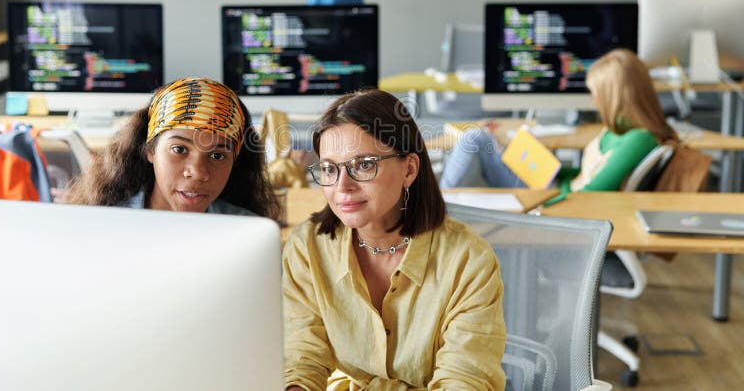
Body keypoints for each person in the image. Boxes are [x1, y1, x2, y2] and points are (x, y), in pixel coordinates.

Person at [283, 89, 506, 390]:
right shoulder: (307, 248)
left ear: (409, 169)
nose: (342, 186)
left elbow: (465, 380)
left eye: (363, 164)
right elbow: (301, 360)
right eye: (328, 168)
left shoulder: (468, 261)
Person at [440, 48, 678, 202]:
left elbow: (589, 195)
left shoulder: (638, 139)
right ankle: (436, 205)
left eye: (596, 94)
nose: (593, 100)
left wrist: (535, 202)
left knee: (476, 139)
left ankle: (432, 211)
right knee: (485, 140)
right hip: (552, 186)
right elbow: (588, 176)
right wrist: (550, 169)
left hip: (554, 201)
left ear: (614, 97)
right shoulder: (621, 130)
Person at [65, 77, 279, 219]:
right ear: (150, 149)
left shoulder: (249, 231)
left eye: (217, 155)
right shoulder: (102, 225)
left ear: (235, 160)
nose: (197, 172)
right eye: (180, 150)